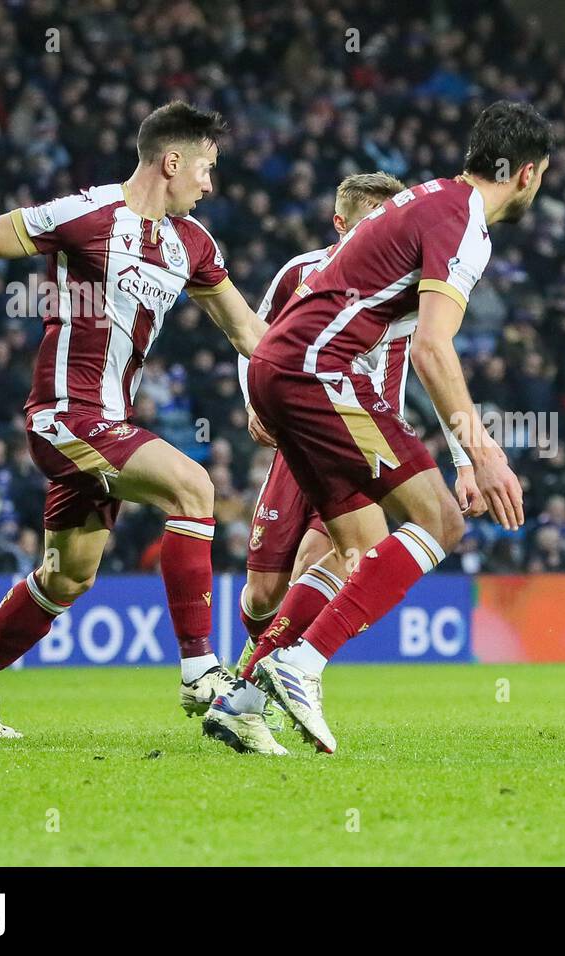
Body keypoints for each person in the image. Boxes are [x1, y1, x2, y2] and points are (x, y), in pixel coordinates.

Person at [225, 101, 552, 755]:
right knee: (442, 521)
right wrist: (481, 451)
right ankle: (304, 663)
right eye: (541, 176)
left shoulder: (429, 198)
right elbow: (434, 350)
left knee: (358, 544)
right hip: (319, 373)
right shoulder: (463, 224)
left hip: (285, 370)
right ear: (525, 174)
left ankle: (245, 699)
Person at [0, 101, 268, 738]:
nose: (209, 182)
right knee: (194, 485)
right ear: (171, 161)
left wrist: (316, 374)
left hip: (107, 425)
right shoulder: (87, 214)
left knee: (66, 578)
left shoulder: (193, 245)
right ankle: (201, 669)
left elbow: (251, 333)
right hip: (65, 416)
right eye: (205, 167)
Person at [208, 172, 476, 754]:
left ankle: (259, 687)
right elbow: (255, 334)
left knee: (343, 552)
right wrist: (253, 401)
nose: (384, 230)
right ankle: (259, 682)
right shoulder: (303, 273)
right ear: (341, 224)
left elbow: (432, 351)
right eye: (372, 219)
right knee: (261, 592)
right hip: (301, 419)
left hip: (362, 430)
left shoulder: (410, 281)